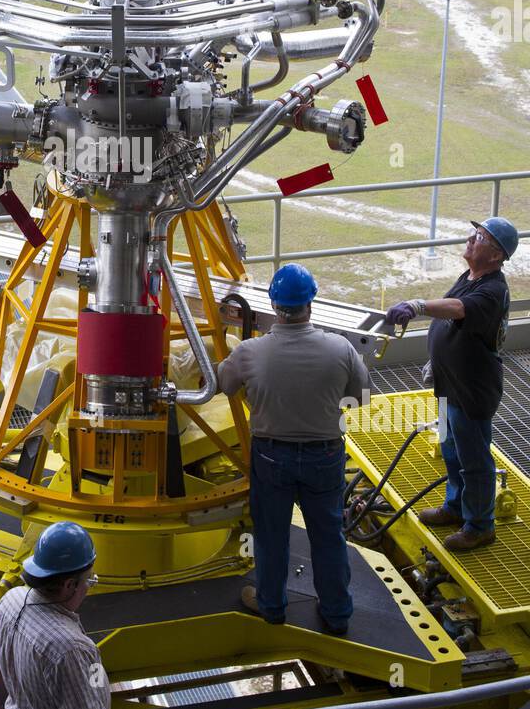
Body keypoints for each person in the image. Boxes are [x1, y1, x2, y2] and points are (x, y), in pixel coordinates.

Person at [217, 263, 367, 636]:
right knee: (329, 534)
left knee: (271, 535)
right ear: (310, 304)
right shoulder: (340, 348)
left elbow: (223, 385)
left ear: (274, 304)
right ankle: (336, 613)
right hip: (325, 455)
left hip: (272, 456)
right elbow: (360, 398)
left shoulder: (250, 352)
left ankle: (271, 606)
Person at [385, 215, 518, 553]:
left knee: (474, 459)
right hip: (449, 384)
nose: (472, 240)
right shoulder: (470, 275)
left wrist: (418, 305)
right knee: (450, 449)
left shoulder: (492, 290)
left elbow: (458, 308)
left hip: (470, 390)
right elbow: (454, 315)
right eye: (475, 233)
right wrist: (439, 358)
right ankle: (456, 507)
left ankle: (480, 526)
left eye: (481, 237)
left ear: (497, 255)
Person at [0, 522, 139, 709]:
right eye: (88, 581)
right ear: (69, 585)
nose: (88, 588)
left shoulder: (10, 600)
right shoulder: (69, 648)